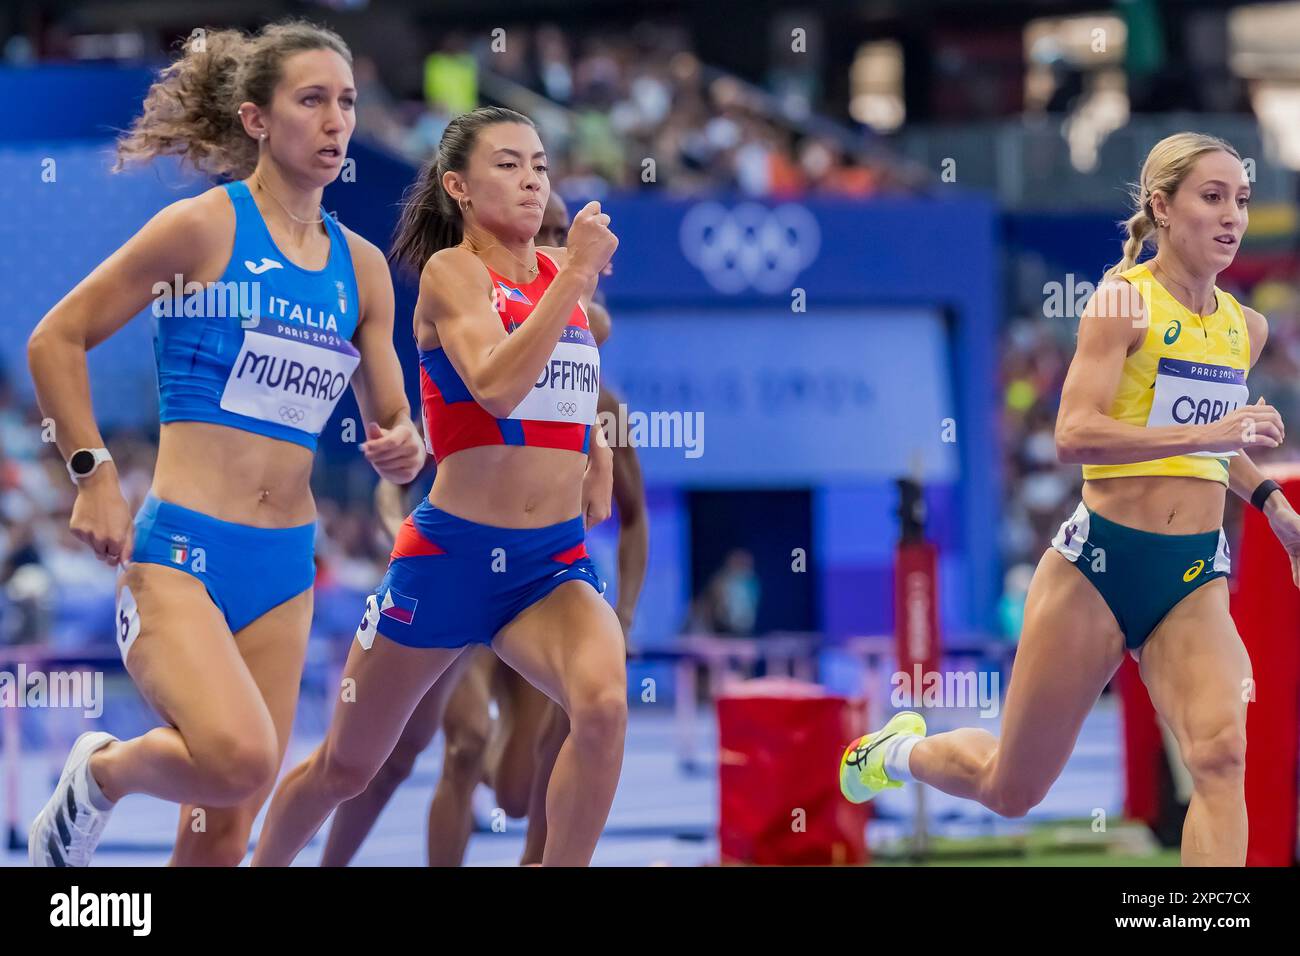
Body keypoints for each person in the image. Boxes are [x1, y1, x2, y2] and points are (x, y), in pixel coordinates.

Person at [25, 21, 425, 867]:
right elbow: (55, 339)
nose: (335, 122)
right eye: (310, 100)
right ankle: (102, 772)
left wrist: (402, 445)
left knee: (224, 827)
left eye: (346, 102)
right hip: (180, 552)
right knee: (239, 759)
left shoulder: (361, 269)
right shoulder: (202, 229)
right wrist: (93, 475)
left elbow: (393, 413)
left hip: (285, 568)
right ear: (255, 120)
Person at [839, 132, 1300, 866]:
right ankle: (902, 752)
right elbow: (1075, 433)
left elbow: (1212, 448)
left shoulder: (1244, 327)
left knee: (1221, 756)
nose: (1231, 217)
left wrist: (1272, 501)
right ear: (1163, 207)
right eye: (1211, 198)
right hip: (1096, 571)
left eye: (1240, 201)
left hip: (1191, 578)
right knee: (1011, 787)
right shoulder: (1122, 302)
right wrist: (1216, 428)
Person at [251, 106, 625, 867]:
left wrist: (601, 447)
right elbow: (494, 384)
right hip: (448, 560)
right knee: (347, 767)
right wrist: (577, 275)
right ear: (458, 186)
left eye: (540, 165)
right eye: (509, 165)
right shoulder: (454, 275)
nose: (531, 180)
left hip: (549, 567)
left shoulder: (566, 289)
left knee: (605, 706)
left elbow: (581, 361)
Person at [318, 191, 649, 866]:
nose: (551, 250)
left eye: (562, 237)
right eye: (545, 234)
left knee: (523, 784)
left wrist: (628, 614)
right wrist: (394, 527)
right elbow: (408, 477)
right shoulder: (472, 335)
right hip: (453, 565)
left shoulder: (600, 395)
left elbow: (634, 518)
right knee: (449, 744)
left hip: (538, 580)